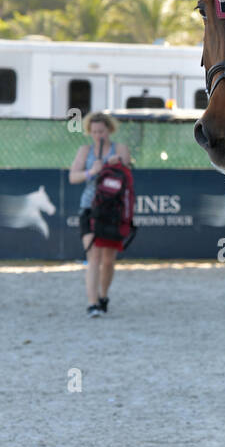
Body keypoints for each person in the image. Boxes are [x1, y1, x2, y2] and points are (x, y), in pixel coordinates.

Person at [68, 113, 132, 318]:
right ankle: (92, 303)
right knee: (93, 256)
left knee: (108, 260)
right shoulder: (85, 151)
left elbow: (128, 172)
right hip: (90, 207)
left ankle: (103, 295)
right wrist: (90, 172)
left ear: (109, 130)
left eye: (101, 131)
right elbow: (73, 177)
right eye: (94, 132)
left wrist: (117, 163)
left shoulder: (119, 149)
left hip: (113, 209)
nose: (98, 135)